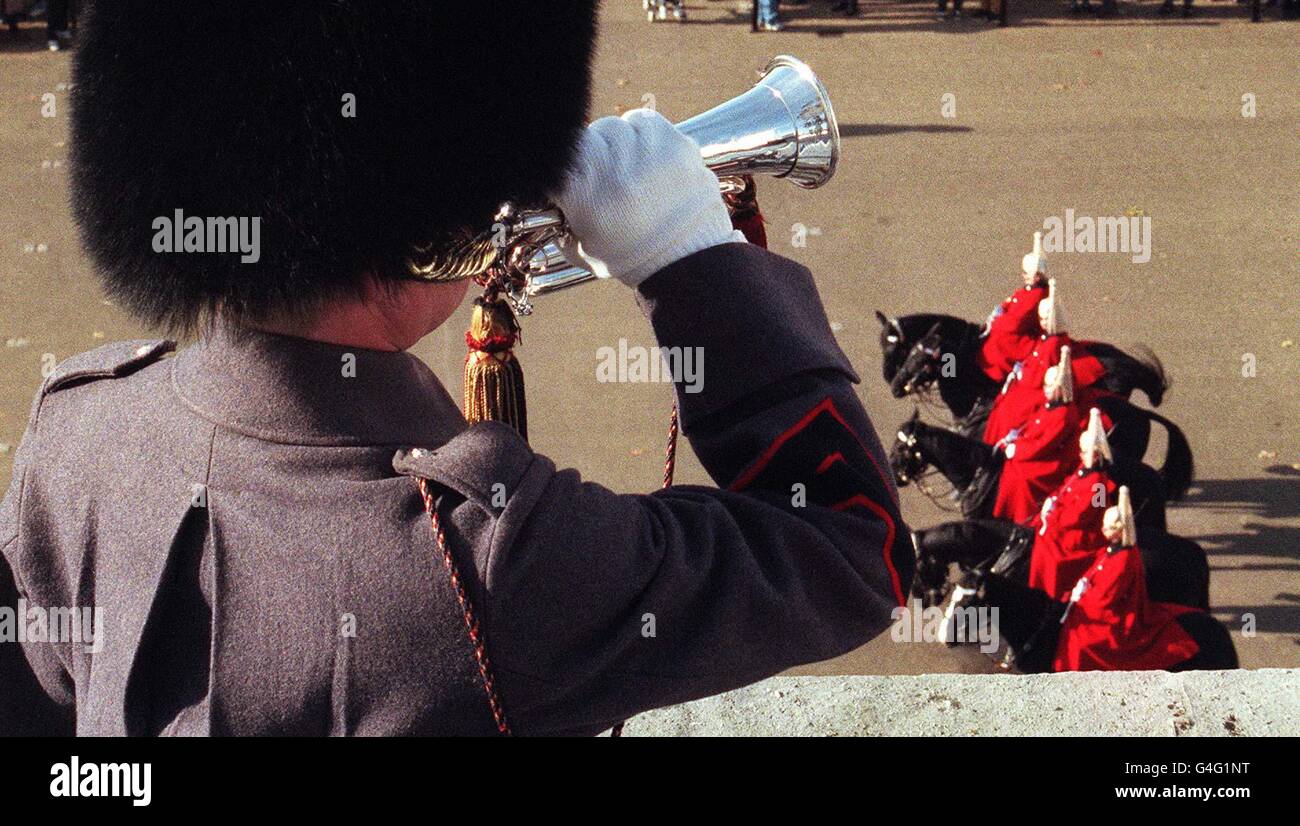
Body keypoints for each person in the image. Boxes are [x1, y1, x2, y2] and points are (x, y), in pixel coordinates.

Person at [0, 1, 911, 736]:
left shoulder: (78, 427)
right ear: (427, 221)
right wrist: (688, 258)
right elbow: (851, 549)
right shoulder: (490, 553)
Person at [1027, 408, 1115, 601]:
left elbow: (1086, 515)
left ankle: (1053, 595)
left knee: (1052, 557)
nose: (1081, 456)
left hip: (1085, 534)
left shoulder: (1099, 483)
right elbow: (1065, 489)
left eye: (1085, 453)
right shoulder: (1084, 470)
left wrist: (1054, 516)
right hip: (1066, 520)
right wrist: (1053, 501)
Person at [991, 349, 1085, 523]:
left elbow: (1044, 445)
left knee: (1021, 476)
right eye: (1046, 385)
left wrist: (1017, 449)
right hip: (1039, 452)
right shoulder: (1051, 405)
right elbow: (1032, 428)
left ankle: (1022, 518)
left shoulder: (1064, 414)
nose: (1046, 390)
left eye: (1050, 386)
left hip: (1054, 461)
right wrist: (1014, 437)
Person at [976, 231, 1050, 385]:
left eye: (1026, 274)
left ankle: (997, 375)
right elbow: (1011, 301)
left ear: (1037, 276)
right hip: (1012, 326)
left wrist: (997, 321)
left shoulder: (1037, 295)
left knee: (999, 340)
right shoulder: (1030, 290)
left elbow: (1016, 321)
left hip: (1024, 335)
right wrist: (1001, 309)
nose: (1024, 276)